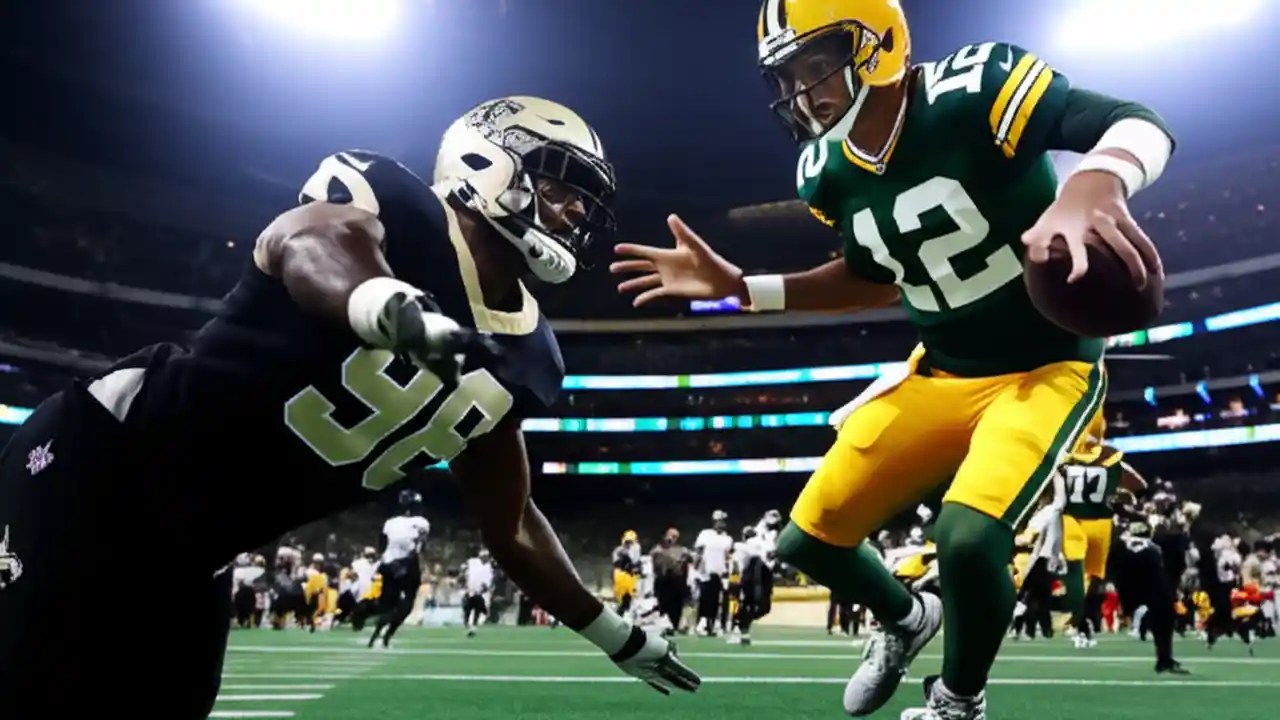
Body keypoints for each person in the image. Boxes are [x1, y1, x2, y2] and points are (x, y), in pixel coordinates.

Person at [0, 96, 698, 717]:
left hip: (197, 548)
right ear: (488, 160)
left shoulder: (530, 357)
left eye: (586, 199)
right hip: (98, 468)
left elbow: (510, 523)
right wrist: (397, 311)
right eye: (559, 181)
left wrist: (614, 632)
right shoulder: (396, 204)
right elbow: (303, 241)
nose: (576, 209)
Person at [612, 1, 1173, 716]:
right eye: (786, 76)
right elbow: (874, 274)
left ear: (878, 46)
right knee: (807, 539)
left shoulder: (973, 90)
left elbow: (1136, 119)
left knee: (967, 539)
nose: (800, 93)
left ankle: (957, 702)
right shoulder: (825, 170)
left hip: (1044, 368)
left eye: (816, 66)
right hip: (940, 369)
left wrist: (1095, 182)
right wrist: (740, 289)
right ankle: (909, 619)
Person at [368, 489, 431, 647]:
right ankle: (388, 633)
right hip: (407, 565)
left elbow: (382, 544)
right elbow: (420, 546)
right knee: (407, 604)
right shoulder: (422, 522)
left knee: (389, 603)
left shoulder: (390, 523)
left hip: (388, 565)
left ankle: (379, 627)